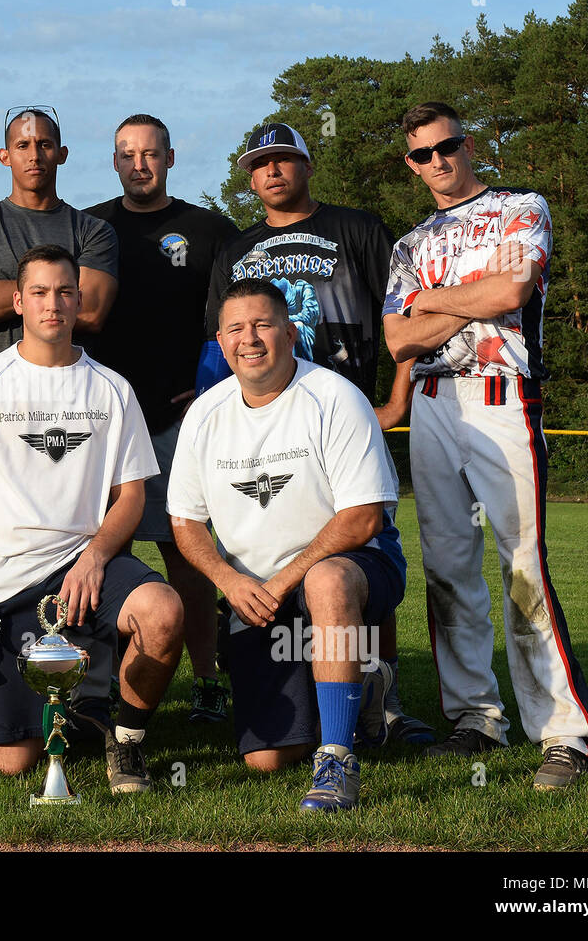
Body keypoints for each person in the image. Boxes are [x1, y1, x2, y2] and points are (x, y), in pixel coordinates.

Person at [382, 101, 588, 790]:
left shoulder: (518, 206)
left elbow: (513, 287)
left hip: (502, 391)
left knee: (523, 566)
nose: (438, 161)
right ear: (411, 165)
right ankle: (474, 717)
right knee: (448, 570)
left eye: (447, 146)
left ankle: (564, 733)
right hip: (433, 405)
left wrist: (433, 303)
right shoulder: (410, 245)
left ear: (467, 144)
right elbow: (396, 340)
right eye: (422, 154)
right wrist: (462, 303)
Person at [201, 121, 432, 745]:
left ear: (307, 166)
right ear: (249, 177)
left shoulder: (355, 229)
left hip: (341, 413)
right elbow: (216, 341)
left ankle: (381, 693)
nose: (271, 172)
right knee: (266, 536)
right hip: (268, 422)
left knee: (362, 545)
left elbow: (405, 316)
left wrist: (394, 398)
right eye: (259, 164)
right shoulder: (235, 249)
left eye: (283, 160)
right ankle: (276, 686)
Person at [0, 244, 184, 794]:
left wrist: (94, 558)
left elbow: (132, 495)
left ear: (78, 300)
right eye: (39, 292)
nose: (53, 304)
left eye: (65, 292)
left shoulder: (112, 388)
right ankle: (75, 698)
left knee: (162, 612)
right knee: (13, 760)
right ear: (17, 301)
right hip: (7, 580)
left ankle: (128, 740)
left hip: (89, 564)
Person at [169, 278, 405, 811]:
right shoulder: (205, 414)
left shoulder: (335, 396)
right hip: (258, 590)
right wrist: (230, 581)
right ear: (220, 340)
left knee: (327, 580)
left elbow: (364, 516)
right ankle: (361, 685)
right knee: (268, 758)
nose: (248, 339)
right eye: (235, 329)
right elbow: (184, 522)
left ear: (291, 331)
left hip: (351, 567)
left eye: (262, 325)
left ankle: (338, 760)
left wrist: (282, 579)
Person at [84, 114, 240, 723]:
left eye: (150, 154)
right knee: (94, 548)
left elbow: (231, 319)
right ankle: (97, 686)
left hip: (181, 420)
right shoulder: (90, 226)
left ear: (170, 158)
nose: (139, 164)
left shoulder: (207, 229)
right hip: (102, 423)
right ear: (114, 160)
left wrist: (208, 389)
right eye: (127, 154)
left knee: (188, 553)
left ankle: (207, 681)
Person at [0, 106, 119, 369]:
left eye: (45, 144)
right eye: (22, 145)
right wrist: (62, 291)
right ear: (5, 156)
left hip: (72, 388)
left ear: (62, 154)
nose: (34, 156)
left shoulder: (93, 230)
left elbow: (91, 310)